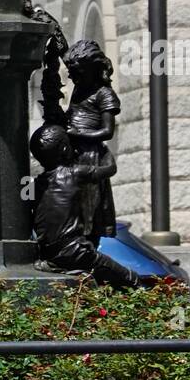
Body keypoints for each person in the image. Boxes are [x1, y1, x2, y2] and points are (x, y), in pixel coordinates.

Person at [30, 123, 138, 290]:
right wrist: (100, 146)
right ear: (66, 150)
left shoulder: (35, 185)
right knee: (130, 279)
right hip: (76, 252)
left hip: (49, 254)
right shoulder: (74, 173)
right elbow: (110, 169)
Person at [63, 39, 121, 241]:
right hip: (73, 154)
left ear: (90, 70)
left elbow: (107, 131)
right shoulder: (79, 89)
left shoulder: (104, 94)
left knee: (88, 214)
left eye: (76, 72)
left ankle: (87, 251)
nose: (71, 76)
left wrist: (77, 133)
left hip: (90, 158)